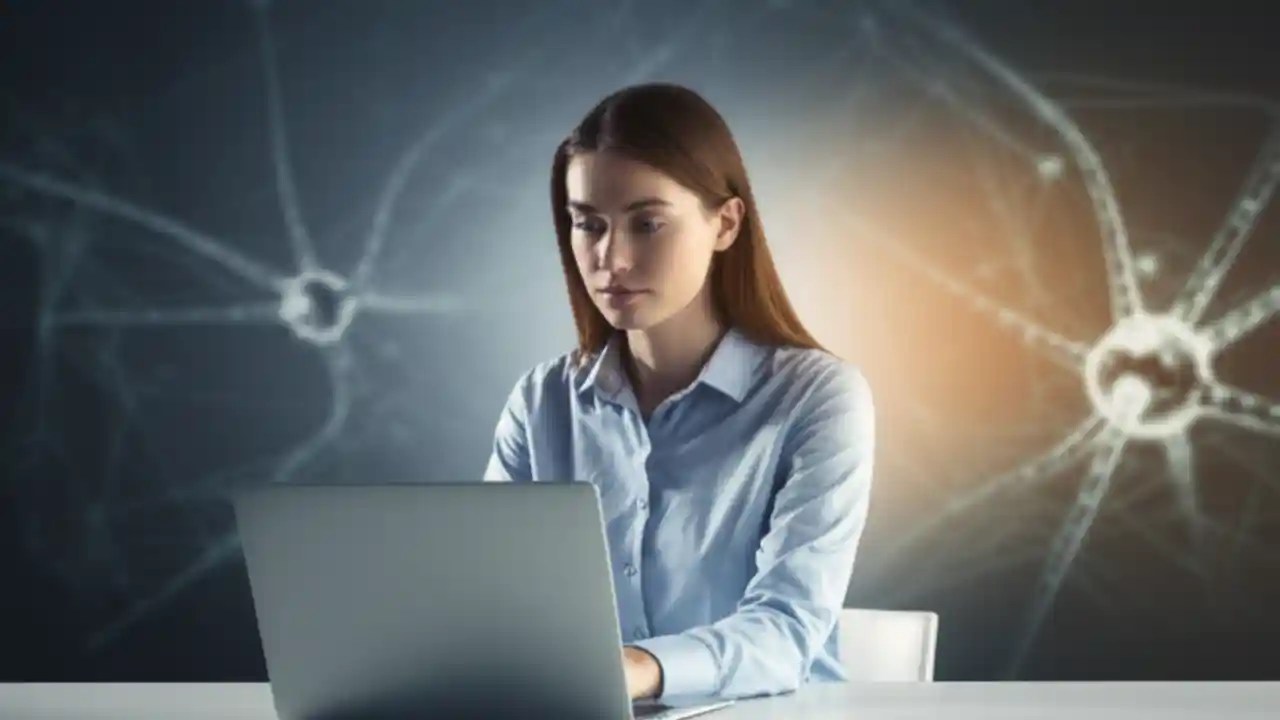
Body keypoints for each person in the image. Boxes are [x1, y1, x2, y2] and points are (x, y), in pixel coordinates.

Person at [484, 82, 874, 702]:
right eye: (588, 224)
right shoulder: (541, 402)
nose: (611, 258)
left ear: (725, 223)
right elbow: (488, 602)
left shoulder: (818, 398)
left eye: (648, 223)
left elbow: (787, 631)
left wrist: (639, 667)